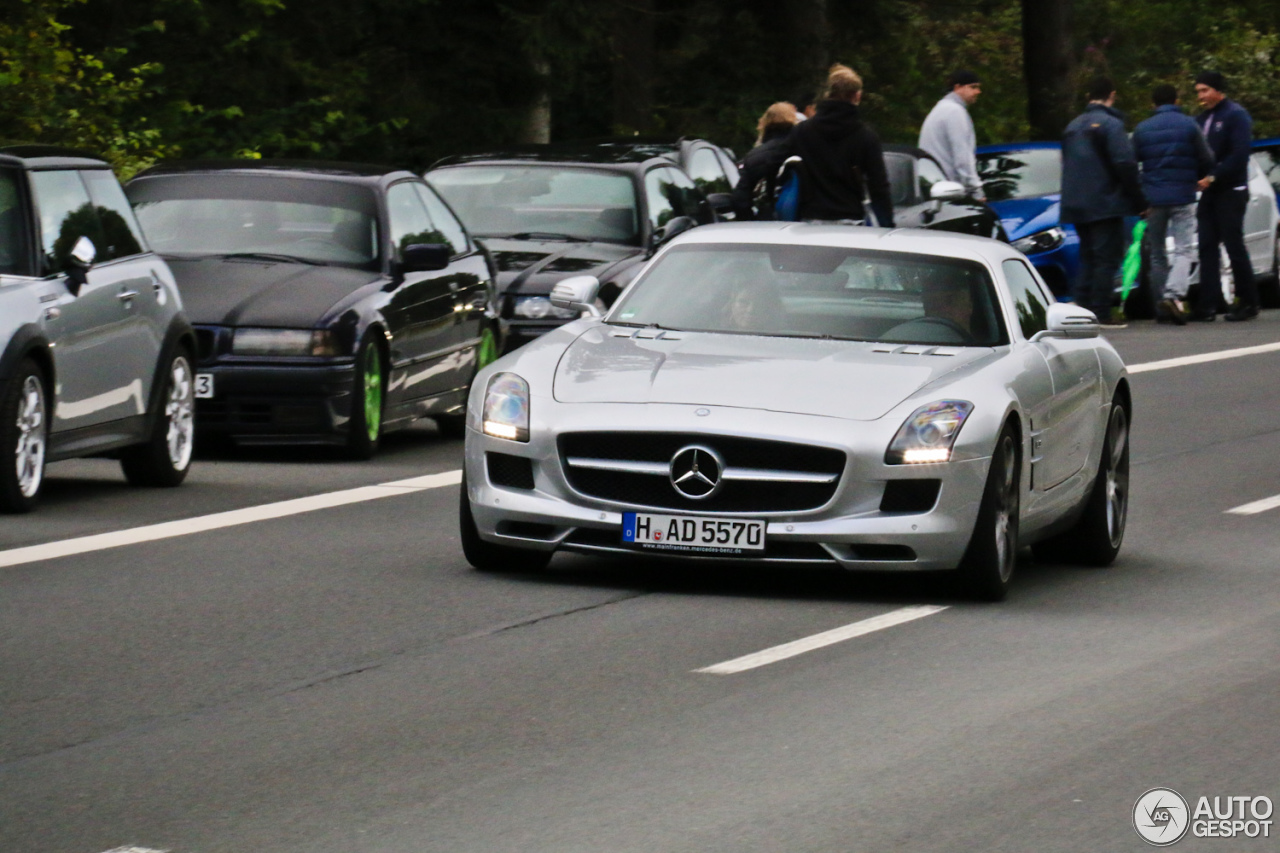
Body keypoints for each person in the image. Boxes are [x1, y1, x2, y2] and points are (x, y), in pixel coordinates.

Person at [1060, 75, 1148, 326]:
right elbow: (1125, 164)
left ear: (1089, 97)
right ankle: (1101, 311)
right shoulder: (1111, 125)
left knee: (1087, 256)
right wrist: (1139, 201)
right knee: (1105, 258)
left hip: (1076, 203)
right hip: (1105, 202)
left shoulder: (1072, 126)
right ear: (1112, 95)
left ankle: (1082, 307)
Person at [1131, 83, 1215, 325]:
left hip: (1153, 199)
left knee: (1157, 253)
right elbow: (1207, 157)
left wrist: (1140, 195)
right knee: (1182, 249)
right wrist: (1203, 175)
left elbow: (1130, 163)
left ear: (1153, 104)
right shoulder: (1189, 124)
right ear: (1176, 100)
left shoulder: (1142, 129)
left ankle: (1162, 308)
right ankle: (1174, 295)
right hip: (1183, 195)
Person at [783, 64, 894, 226]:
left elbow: (782, 164)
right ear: (857, 96)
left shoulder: (802, 131)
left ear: (828, 94)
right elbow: (878, 186)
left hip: (809, 219)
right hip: (850, 219)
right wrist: (887, 223)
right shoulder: (865, 136)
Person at [1191, 71, 1257, 322]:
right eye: (1198, 91)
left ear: (1218, 90)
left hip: (1231, 189)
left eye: (1205, 90)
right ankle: (1209, 304)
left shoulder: (1235, 115)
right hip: (1209, 192)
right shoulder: (1201, 119)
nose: (1201, 96)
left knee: (1233, 243)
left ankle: (1248, 301)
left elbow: (1240, 154)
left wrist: (1214, 176)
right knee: (1207, 245)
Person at [918, 70, 985, 199]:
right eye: (973, 87)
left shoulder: (941, 108)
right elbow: (962, 157)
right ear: (957, 88)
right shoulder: (954, 112)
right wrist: (976, 191)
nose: (978, 92)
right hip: (952, 192)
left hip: (935, 187)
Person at [730, 102, 800, 220]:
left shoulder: (754, 156)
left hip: (769, 224)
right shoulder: (805, 148)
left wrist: (752, 224)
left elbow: (740, 199)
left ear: (764, 123)